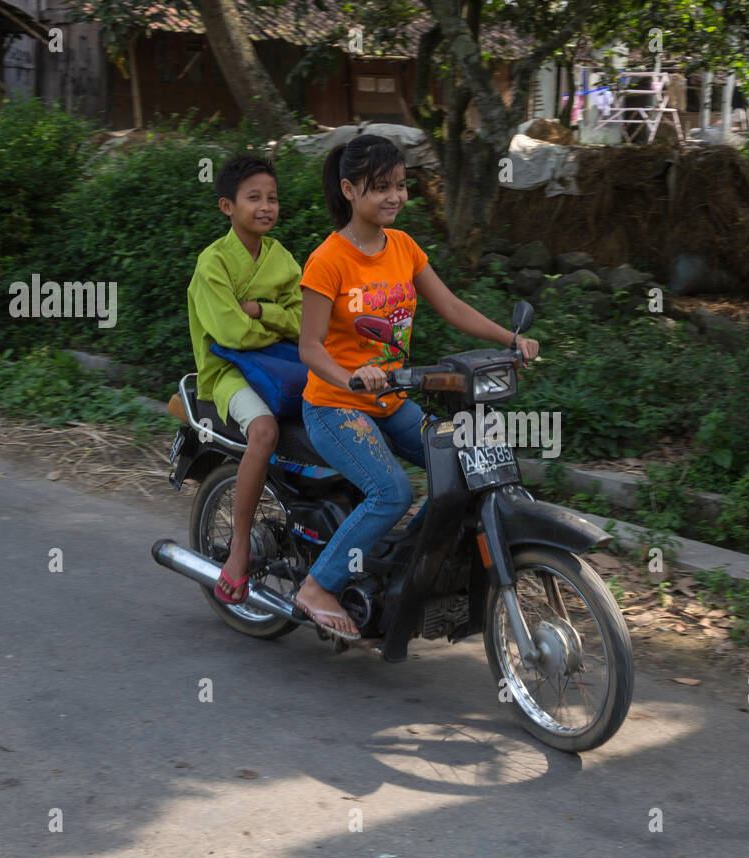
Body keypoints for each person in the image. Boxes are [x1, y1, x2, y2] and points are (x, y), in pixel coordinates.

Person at [294, 134, 540, 640]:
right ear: (348, 190)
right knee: (393, 491)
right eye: (381, 187)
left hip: (391, 401)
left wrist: (511, 339)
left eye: (401, 186)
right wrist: (351, 378)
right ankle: (316, 586)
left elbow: (451, 307)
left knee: (467, 467)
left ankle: (398, 561)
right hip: (336, 407)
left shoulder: (403, 247)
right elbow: (311, 348)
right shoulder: (328, 261)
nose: (395, 197)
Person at [186, 154, 303, 605]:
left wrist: (259, 310)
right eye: (253, 197)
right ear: (226, 207)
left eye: (271, 197)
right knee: (265, 431)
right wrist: (272, 321)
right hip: (229, 373)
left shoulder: (283, 259)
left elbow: (302, 319)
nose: (265, 206)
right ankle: (237, 550)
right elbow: (231, 334)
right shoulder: (212, 264)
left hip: (284, 365)